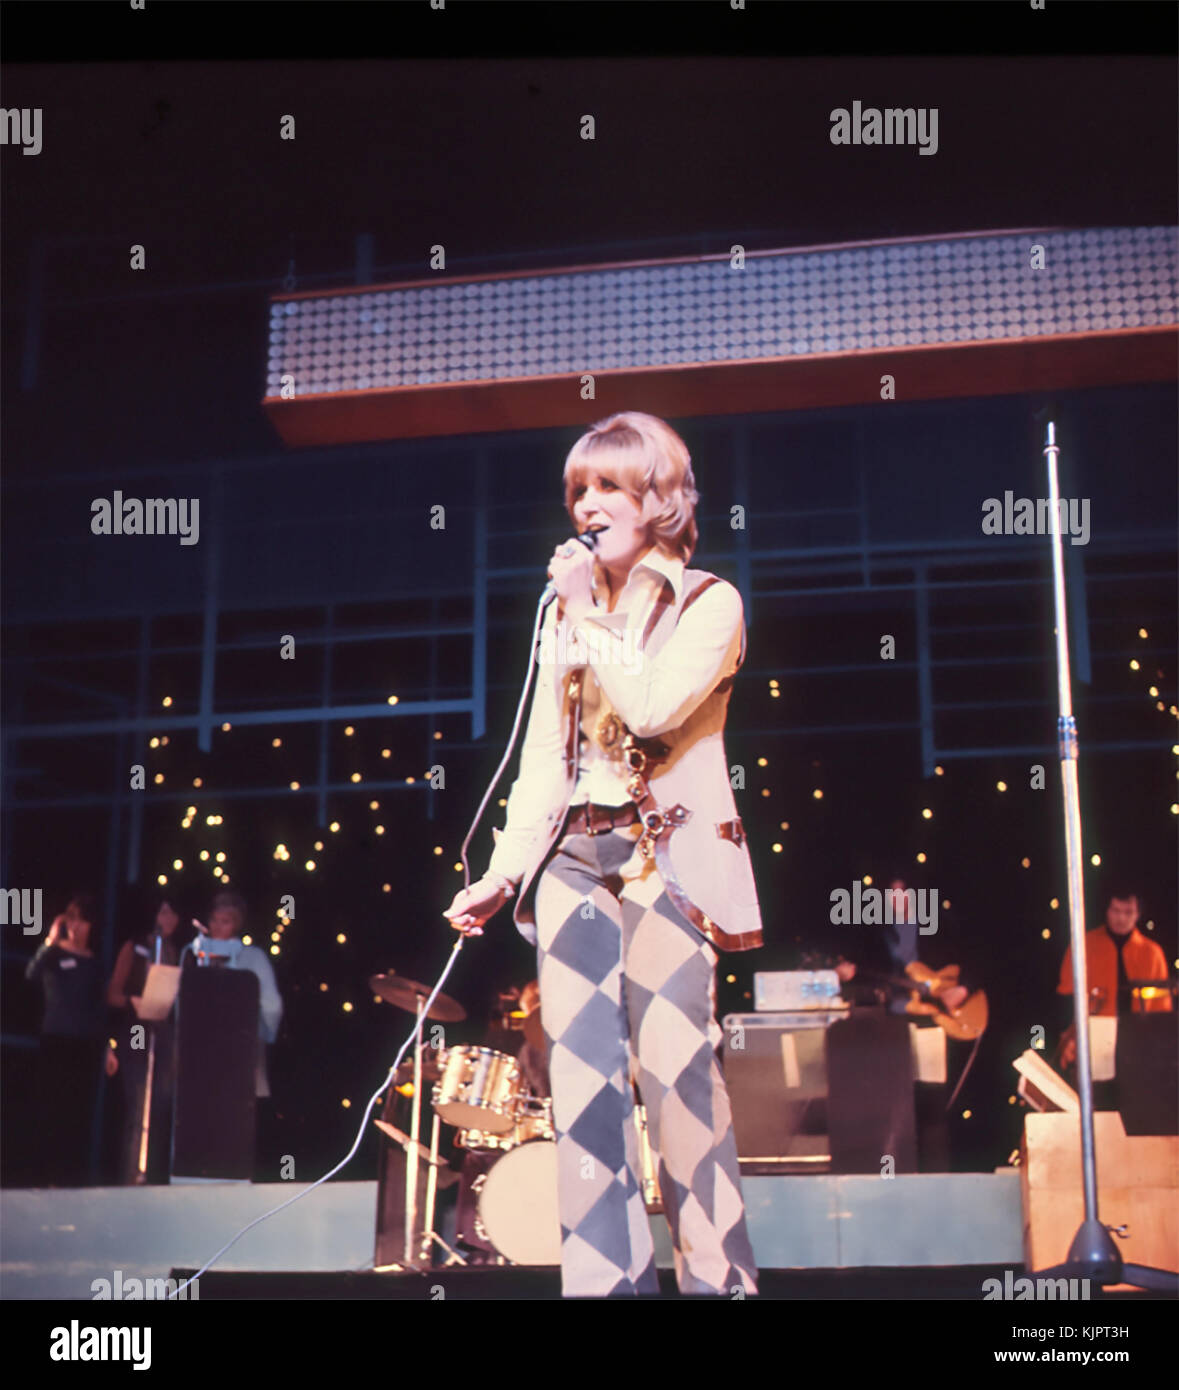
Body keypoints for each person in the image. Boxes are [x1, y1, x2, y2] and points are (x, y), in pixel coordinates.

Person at [444, 410, 762, 1297]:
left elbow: (654, 705)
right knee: (584, 1102)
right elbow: (546, 758)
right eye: (577, 490)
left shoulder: (710, 602)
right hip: (572, 863)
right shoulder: (567, 618)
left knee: (678, 1086)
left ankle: (719, 1286)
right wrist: (505, 871)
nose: (587, 505)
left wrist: (589, 611)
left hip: (668, 864)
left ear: (655, 500)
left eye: (608, 488)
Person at [25, 893, 113, 1185]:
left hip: (82, 1044)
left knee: (75, 1112)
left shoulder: (95, 963)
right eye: (72, 919)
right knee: (49, 1106)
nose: (76, 926)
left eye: (82, 920)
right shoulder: (53, 954)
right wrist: (49, 941)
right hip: (55, 1039)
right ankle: (42, 1174)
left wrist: (108, 1048)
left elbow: (99, 1009)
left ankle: (68, 1177)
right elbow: (31, 975)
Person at [107, 895, 189, 1183]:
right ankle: (130, 1175)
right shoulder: (136, 946)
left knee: (161, 1104)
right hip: (137, 1029)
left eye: (174, 914)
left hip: (163, 1033)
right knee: (138, 1101)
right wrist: (133, 1001)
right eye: (164, 912)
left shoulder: (174, 952)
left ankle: (152, 1176)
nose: (169, 920)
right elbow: (112, 994)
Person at [1056, 886, 1172, 1086]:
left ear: (1138, 914)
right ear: (1106, 910)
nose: (1121, 918)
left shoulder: (1152, 953)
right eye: (1115, 911)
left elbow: (1162, 1014)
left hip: (1139, 1055)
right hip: (1091, 1050)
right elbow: (1066, 1001)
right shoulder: (1083, 945)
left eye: (1128, 912)